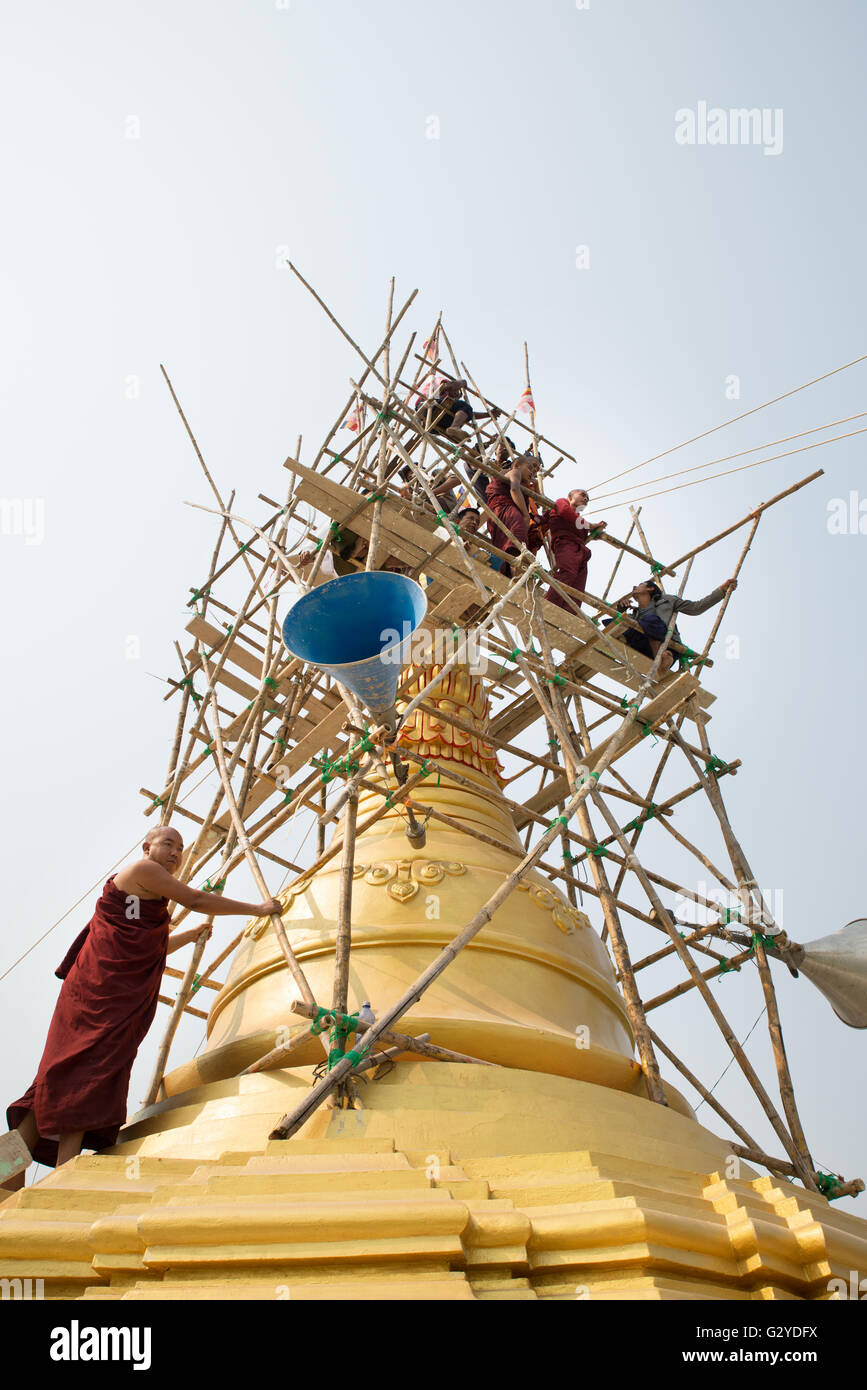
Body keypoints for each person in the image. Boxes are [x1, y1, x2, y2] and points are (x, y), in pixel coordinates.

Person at [2, 826, 281, 1190]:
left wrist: (190, 935)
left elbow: (146, 946)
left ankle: (7, 1179)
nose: (175, 852)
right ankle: (62, 1180)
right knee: (84, 1078)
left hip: (108, 996)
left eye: (180, 848)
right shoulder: (143, 871)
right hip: (98, 995)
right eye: (168, 844)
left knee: (56, 1084)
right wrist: (257, 909)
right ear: (146, 846)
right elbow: (195, 900)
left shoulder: (148, 896)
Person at [618, 577, 738, 673]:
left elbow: (696, 608)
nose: (634, 587)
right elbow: (619, 624)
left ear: (649, 588)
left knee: (651, 620)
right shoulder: (635, 614)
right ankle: (623, 642)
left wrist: (721, 590)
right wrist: (620, 611)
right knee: (620, 622)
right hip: (639, 645)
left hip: (664, 646)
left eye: (639, 585)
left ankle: (661, 659)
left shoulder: (667, 600)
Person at [541, 487, 606, 610]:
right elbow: (564, 511)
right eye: (582, 495)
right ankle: (550, 605)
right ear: (570, 496)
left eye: (587, 498)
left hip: (580, 551)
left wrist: (594, 532)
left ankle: (569, 613)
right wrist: (590, 525)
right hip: (565, 544)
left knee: (578, 585)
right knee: (568, 573)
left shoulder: (578, 519)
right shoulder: (562, 502)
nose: (586, 498)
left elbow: (581, 531)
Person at [485, 452, 542, 577]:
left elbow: (539, 501)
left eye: (537, 470)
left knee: (505, 545)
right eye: (531, 467)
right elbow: (514, 489)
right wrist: (526, 515)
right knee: (517, 541)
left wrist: (536, 484)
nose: (533, 471)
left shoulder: (525, 485)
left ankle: (507, 570)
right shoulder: (514, 472)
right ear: (516, 465)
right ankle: (513, 567)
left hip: (501, 515)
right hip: (506, 510)